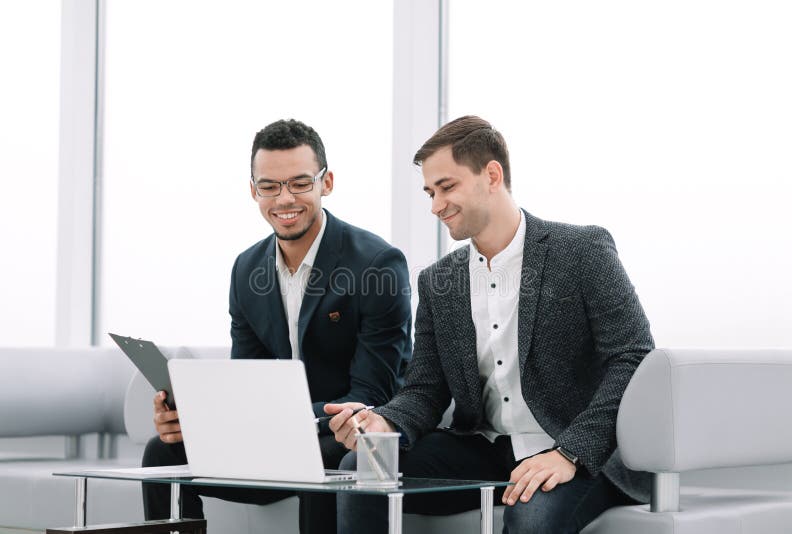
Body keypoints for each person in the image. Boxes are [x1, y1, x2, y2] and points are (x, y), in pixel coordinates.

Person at [326, 115, 654, 534]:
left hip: (571, 449)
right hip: (483, 448)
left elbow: (633, 357)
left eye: (447, 187)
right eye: (429, 192)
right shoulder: (439, 280)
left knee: (532, 514)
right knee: (363, 465)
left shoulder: (581, 252)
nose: (435, 205)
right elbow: (425, 390)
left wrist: (569, 453)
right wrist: (384, 423)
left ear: (492, 175)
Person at [141, 119, 413, 534]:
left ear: (328, 182)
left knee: (324, 460)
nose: (284, 198)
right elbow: (249, 378)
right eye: (269, 186)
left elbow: (371, 393)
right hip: (273, 440)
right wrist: (193, 417)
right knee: (163, 450)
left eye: (300, 183)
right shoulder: (247, 268)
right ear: (253, 190)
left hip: (342, 434)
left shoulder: (377, 264)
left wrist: (288, 420)